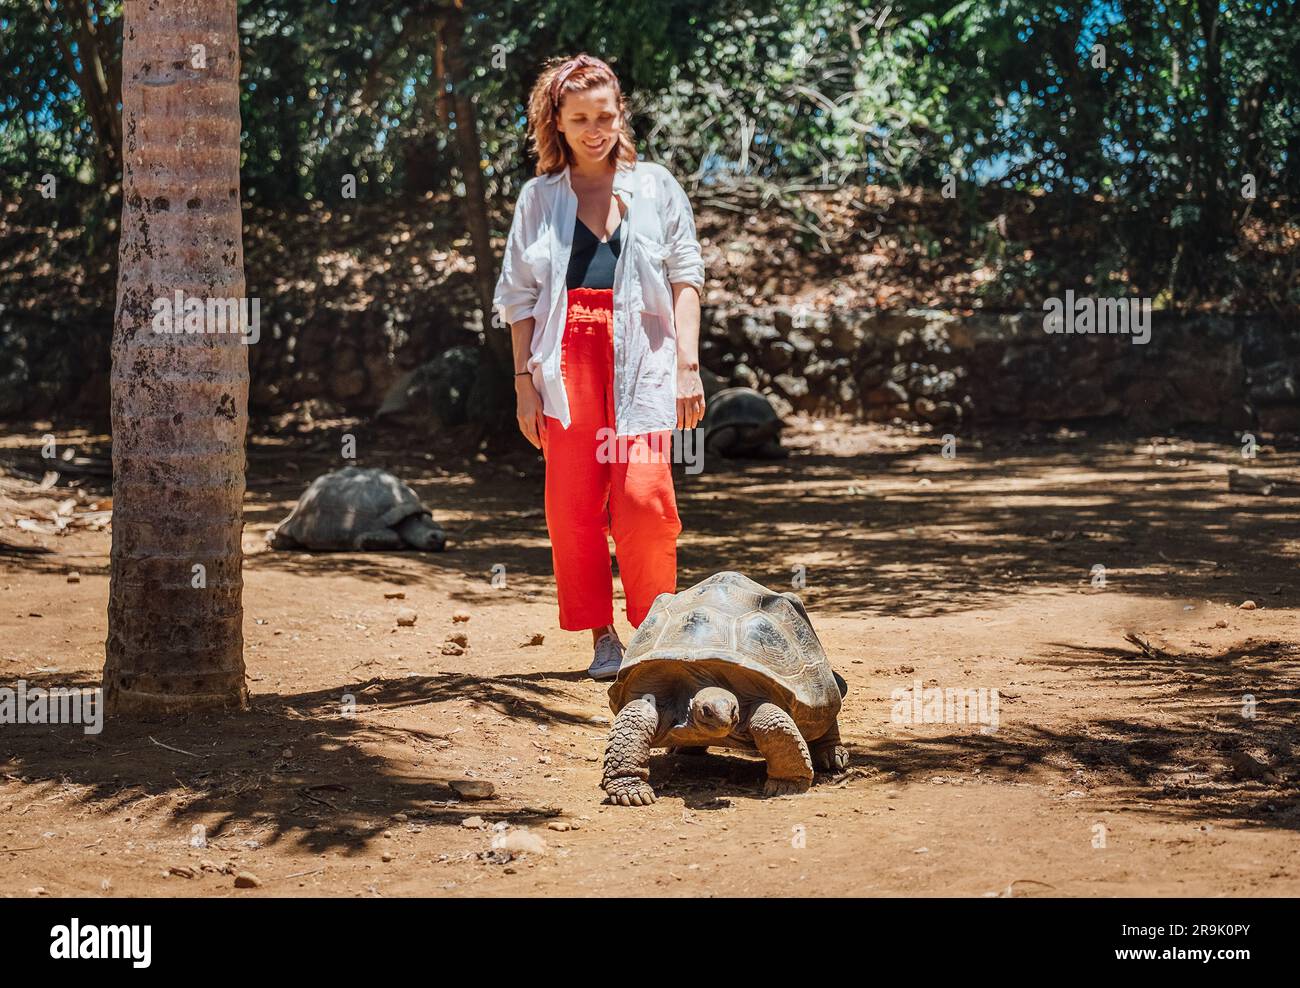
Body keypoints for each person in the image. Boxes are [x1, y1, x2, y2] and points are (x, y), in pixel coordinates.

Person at [492, 53, 707, 680]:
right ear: (555, 120)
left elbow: (685, 276)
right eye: (580, 117)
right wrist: (524, 384)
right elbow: (518, 298)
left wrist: (687, 366)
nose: (594, 129)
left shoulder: (658, 185)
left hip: (644, 359)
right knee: (573, 508)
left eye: (605, 116)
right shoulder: (539, 197)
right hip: (566, 364)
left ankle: (655, 628)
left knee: (645, 501)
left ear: (622, 114)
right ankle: (601, 636)